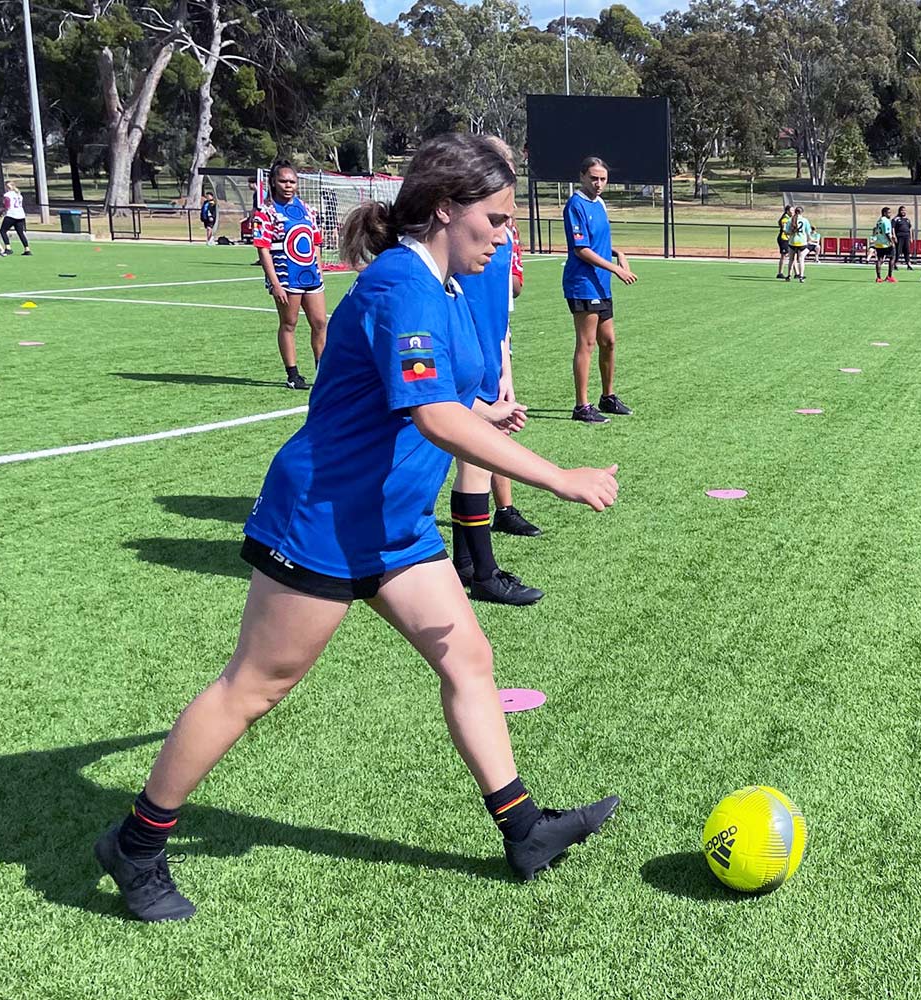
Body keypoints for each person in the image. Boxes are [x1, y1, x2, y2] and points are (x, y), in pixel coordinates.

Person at [91, 132, 622, 924]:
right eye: (500, 219)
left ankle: (524, 830)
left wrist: (486, 409)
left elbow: (431, 397)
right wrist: (558, 476)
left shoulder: (439, 285)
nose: (508, 236)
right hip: (325, 523)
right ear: (447, 210)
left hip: (394, 523)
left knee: (468, 658)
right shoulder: (401, 286)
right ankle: (135, 844)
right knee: (254, 687)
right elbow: (431, 414)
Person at [451, 137, 543, 605]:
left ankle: (465, 564)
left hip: (491, 353)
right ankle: (483, 573)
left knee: (478, 463)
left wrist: (505, 364)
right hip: (465, 359)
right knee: (476, 462)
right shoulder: (462, 239)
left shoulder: (503, 234)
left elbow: (501, 308)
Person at [564, 156, 637, 424]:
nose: (598, 183)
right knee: (587, 342)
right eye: (593, 178)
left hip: (600, 283)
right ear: (582, 176)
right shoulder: (575, 204)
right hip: (583, 283)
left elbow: (600, 241)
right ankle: (581, 406)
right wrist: (616, 269)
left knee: (609, 341)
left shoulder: (600, 204)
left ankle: (607, 397)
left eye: (603, 179)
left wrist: (619, 253)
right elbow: (582, 249)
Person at [253, 160, 330, 390]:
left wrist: (319, 269)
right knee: (289, 323)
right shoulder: (265, 211)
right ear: (274, 183)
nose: (288, 185)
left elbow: (316, 242)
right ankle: (293, 374)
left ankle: (322, 371)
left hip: (311, 276)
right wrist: (275, 282)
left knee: (320, 322)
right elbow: (263, 248)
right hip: (287, 276)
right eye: (283, 181)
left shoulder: (306, 209)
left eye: (292, 181)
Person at [490, 217, 542, 539]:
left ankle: (503, 510)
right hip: (475, 334)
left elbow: (517, 286)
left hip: (497, 332)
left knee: (497, 426)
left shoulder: (509, 232)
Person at [0, 180, 31, 256]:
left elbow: (7, 206)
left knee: (3, 231)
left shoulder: (7, 195)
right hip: (20, 215)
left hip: (11, 214)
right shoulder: (19, 194)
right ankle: (27, 249)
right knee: (20, 233)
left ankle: (8, 248)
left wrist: (1, 212)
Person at [871, 206, 896, 283]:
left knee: (879, 259)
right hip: (886, 243)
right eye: (889, 212)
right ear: (884, 213)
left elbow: (875, 230)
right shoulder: (886, 221)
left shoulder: (879, 221)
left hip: (879, 243)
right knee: (892, 257)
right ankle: (889, 276)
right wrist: (892, 242)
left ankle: (878, 278)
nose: (890, 214)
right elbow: (887, 233)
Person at [787, 206, 811, 283]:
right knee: (801, 259)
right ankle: (801, 276)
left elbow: (786, 231)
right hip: (802, 242)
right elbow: (808, 231)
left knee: (791, 259)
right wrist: (809, 239)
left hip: (792, 241)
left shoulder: (790, 220)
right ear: (802, 212)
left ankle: (789, 275)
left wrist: (791, 233)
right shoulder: (805, 220)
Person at [775, 205, 792, 280]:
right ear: (788, 211)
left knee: (791, 255)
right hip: (783, 238)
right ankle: (780, 273)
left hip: (787, 238)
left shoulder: (789, 218)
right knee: (784, 256)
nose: (793, 212)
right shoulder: (785, 219)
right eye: (792, 211)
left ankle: (796, 273)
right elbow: (785, 230)